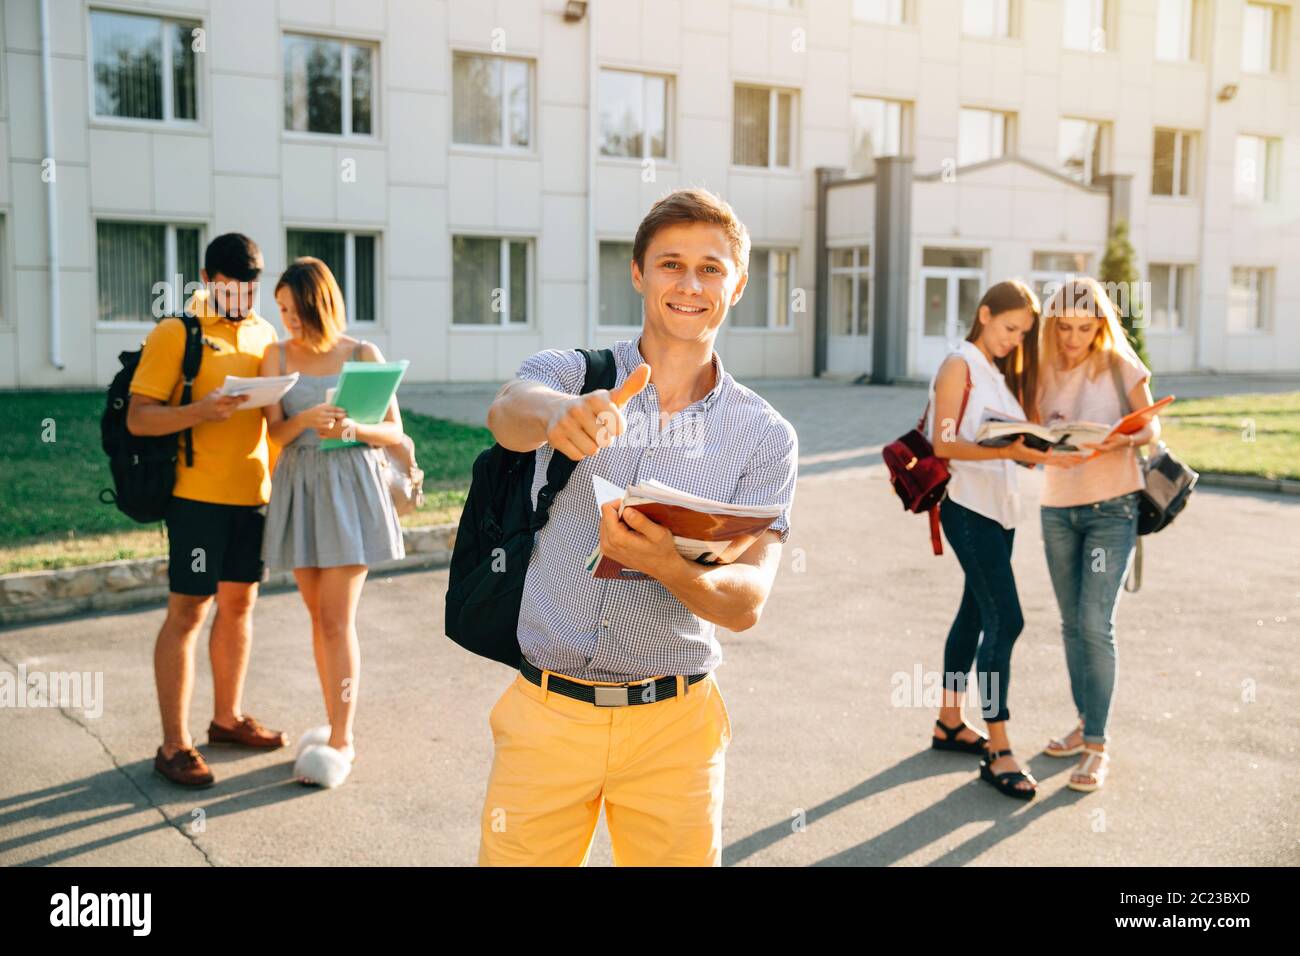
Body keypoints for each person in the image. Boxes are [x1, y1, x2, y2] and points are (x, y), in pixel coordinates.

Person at [477, 188, 798, 865]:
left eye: (711, 267)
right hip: (547, 716)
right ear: (638, 274)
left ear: (736, 285)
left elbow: (747, 603)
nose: (689, 283)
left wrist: (667, 566)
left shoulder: (766, 436)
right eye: (670, 264)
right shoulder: (574, 376)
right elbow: (507, 409)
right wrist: (559, 413)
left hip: (675, 731)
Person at [127, 233, 288, 787]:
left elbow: (274, 422)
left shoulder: (266, 333)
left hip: (253, 497)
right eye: (230, 285)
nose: (241, 295)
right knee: (189, 613)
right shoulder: (178, 333)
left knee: (240, 607)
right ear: (207, 278)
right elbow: (140, 418)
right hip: (196, 499)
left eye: (250, 286)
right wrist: (199, 410)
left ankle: (227, 718)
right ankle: (174, 745)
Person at [926, 279, 1083, 800]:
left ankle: (950, 723)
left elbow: (1004, 442)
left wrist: (1042, 452)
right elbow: (944, 443)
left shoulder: (994, 372)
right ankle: (999, 749)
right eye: (1010, 327)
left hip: (999, 512)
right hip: (968, 511)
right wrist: (1007, 452)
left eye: (1022, 334)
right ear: (985, 314)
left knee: (974, 615)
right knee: (1006, 620)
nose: (1014, 340)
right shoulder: (959, 364)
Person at [259, 257, 407, 789]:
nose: (286, 320)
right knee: (318, 620)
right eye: (280, 310)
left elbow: (395, 433)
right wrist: (304, 419)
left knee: (335, 620)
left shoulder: (362, 353)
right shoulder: (273, 356)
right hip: (300, 489)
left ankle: (342, 739)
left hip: (352, 490)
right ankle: (333, 725)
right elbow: (275, 435)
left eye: (294, 310)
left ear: (318, 305)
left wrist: (356, 426)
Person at [1036, 277, 1160, 792]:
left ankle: (1098, 746)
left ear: (1101, 324)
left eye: (1085, 327)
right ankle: (1085, 721)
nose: (1073, 338)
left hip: (1113, 505)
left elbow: (1151, 429)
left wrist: (1113, 443)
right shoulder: (1040, 368)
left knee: (1094, 622)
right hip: (1057, 506)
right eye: (1064, 326)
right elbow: (1032, 426)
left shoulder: (1118, 364)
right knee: (1070, 623)